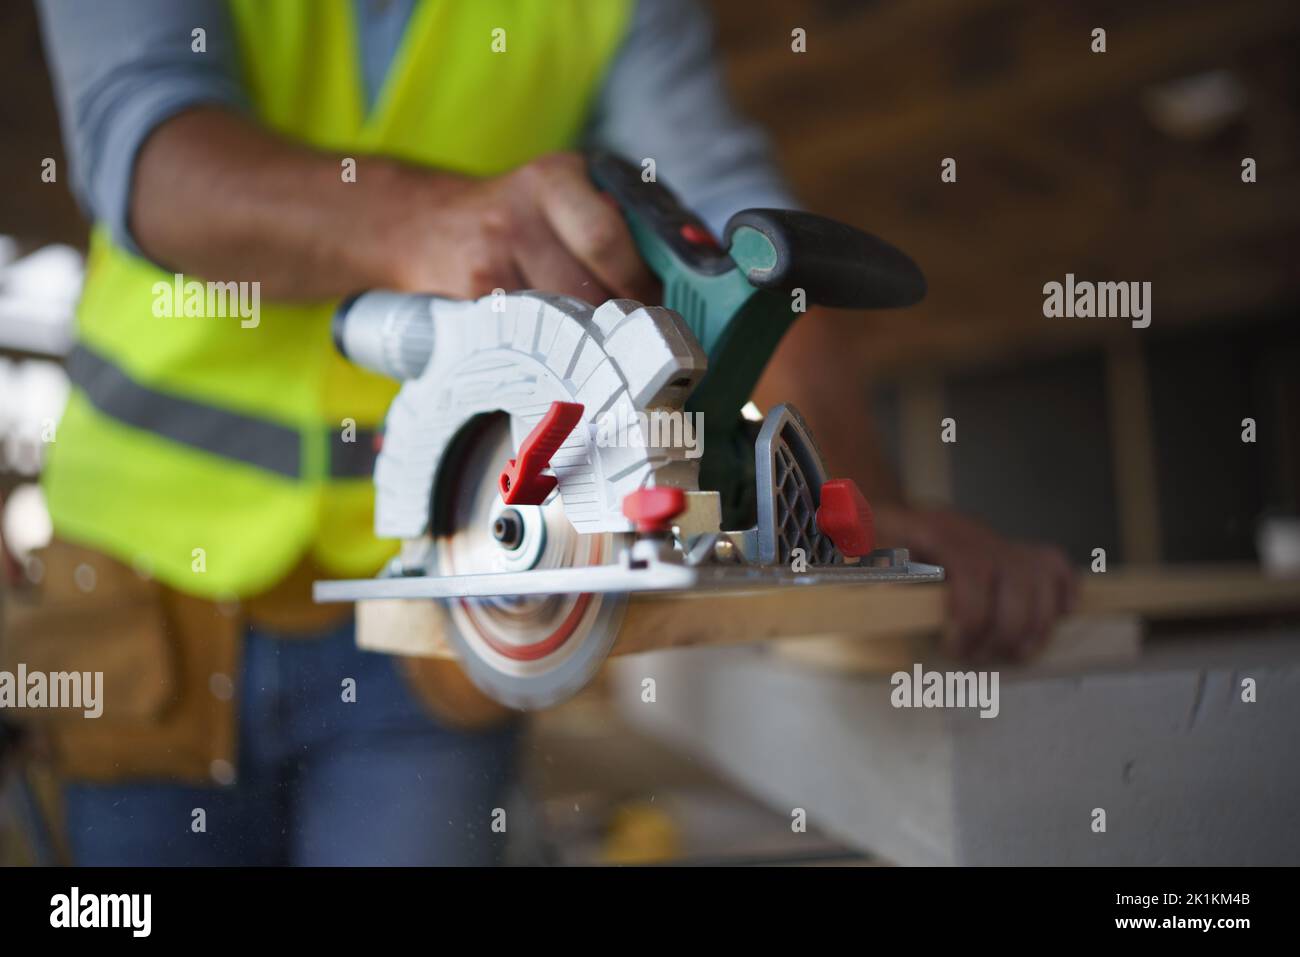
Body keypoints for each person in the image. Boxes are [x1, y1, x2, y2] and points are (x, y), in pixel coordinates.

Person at [26, 0, 1074, 865]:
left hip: (440, 613)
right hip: (148, 584)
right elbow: (149, 145)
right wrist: (425, 224)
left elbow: (729, 230)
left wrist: (850, 513)